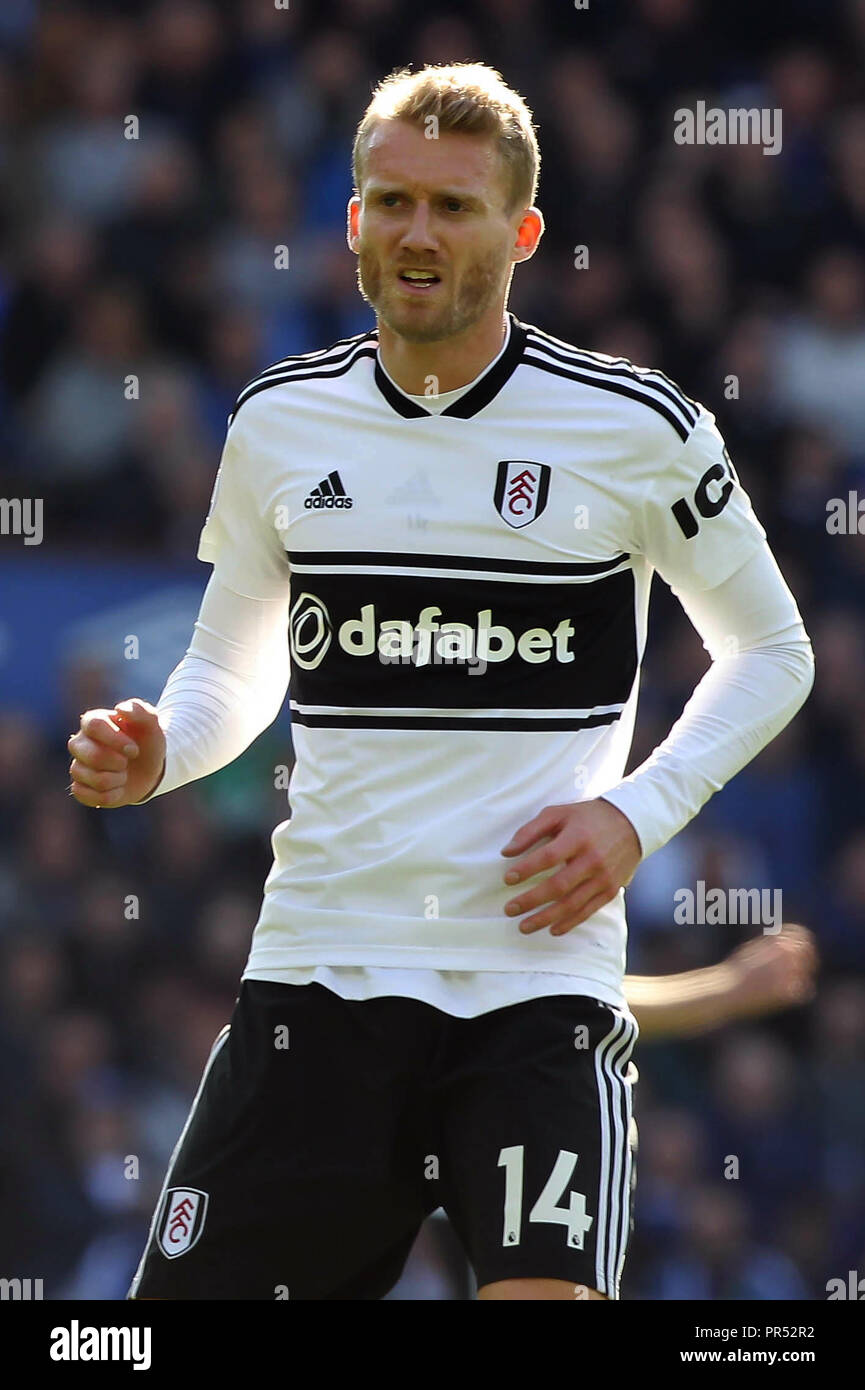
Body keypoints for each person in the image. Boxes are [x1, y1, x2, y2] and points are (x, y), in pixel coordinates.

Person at [67, 64, 814, 1301]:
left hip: (532, 988)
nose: (418, 232)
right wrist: (168, 749)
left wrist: (633, 816)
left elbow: (774, 650)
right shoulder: (279, 424)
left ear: (519, 234)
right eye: (391, 201)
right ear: (353, 219)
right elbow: (233, 670)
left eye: (454, 208)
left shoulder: (634, 426)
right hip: (319, 972)